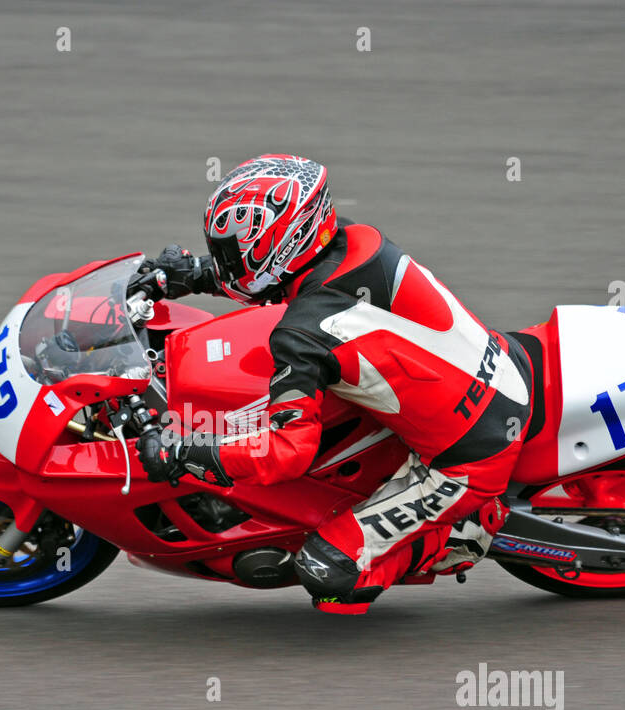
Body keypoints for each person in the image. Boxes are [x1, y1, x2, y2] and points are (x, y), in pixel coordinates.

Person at [136, 154, 533, 615]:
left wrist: (187, 453)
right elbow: (286, 281)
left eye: (231, 252)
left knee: (328, 574)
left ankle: (464, 529)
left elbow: (287, 451)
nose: (226, 261)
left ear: (278, 244)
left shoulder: (304, 334)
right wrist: (196, 273)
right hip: (497, 369)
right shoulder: (354, 239)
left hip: (468, 456)